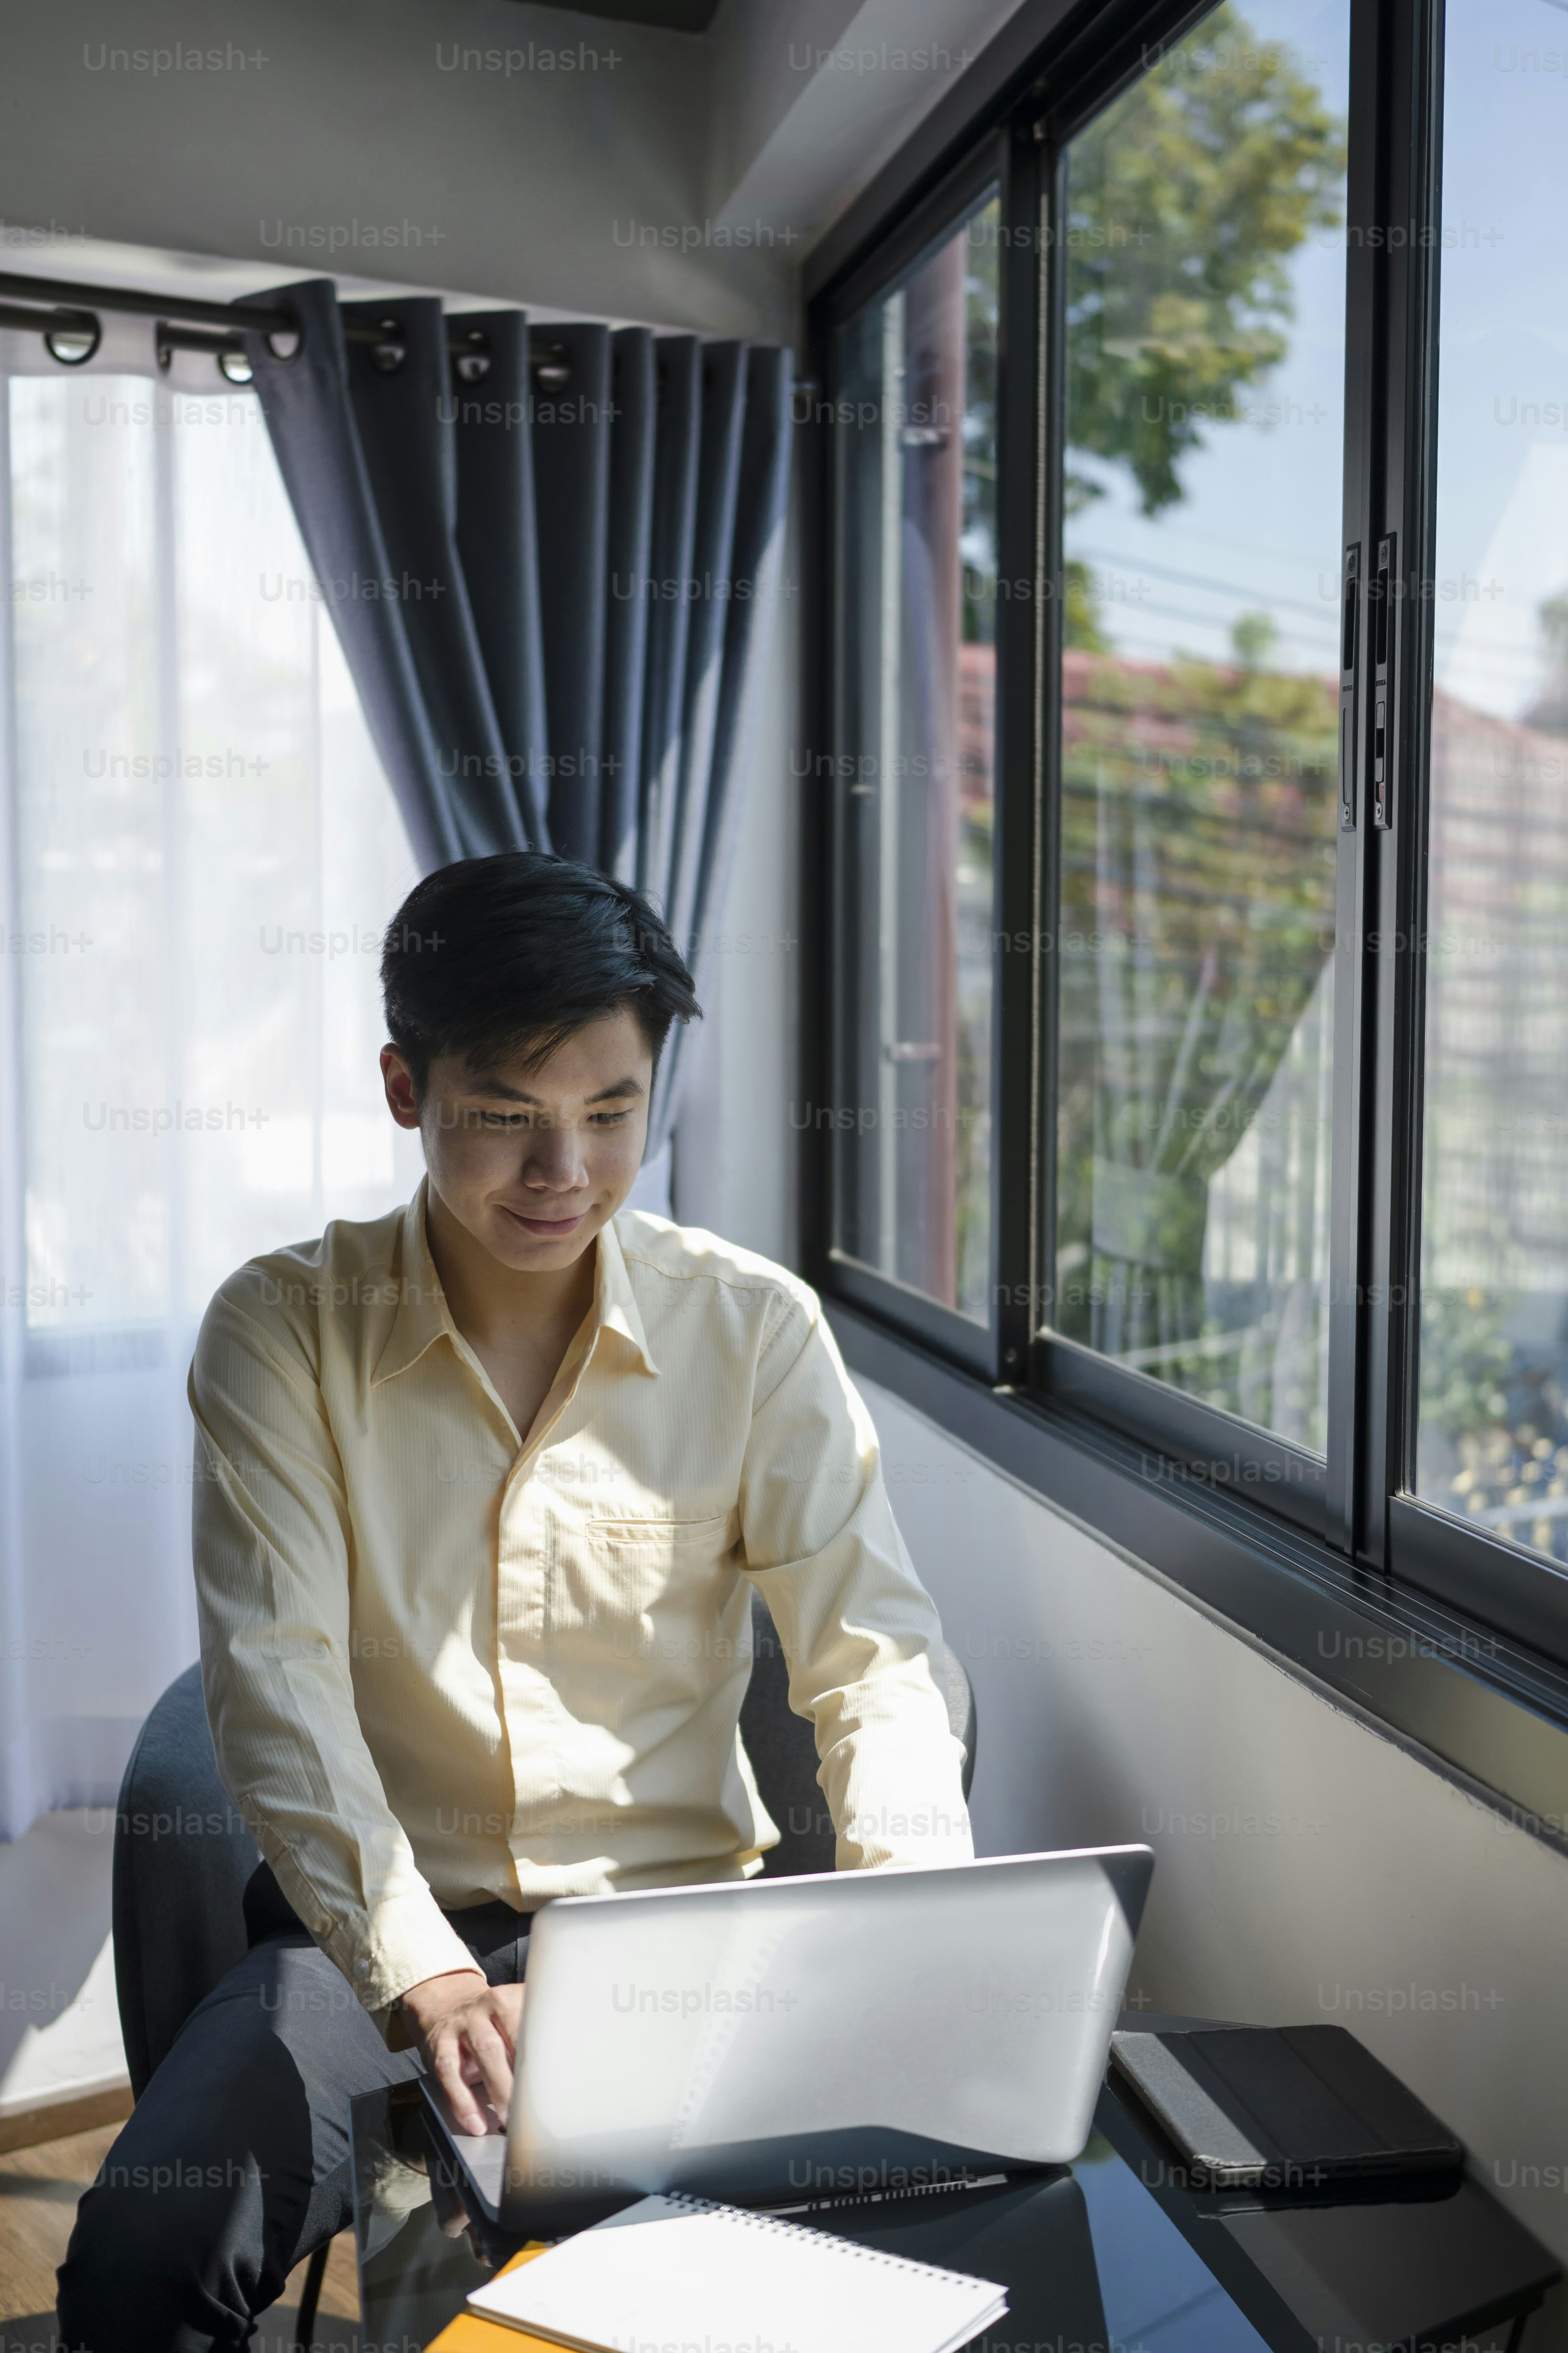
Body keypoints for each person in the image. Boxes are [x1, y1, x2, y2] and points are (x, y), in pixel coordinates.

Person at [59, 850, 972, 2351]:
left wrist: (911, 1911)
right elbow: (275, 1681)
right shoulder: (283, 1331)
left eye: (612, 1115)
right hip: (376, 1944)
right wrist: (426, 1977)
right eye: (506, 1118)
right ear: (406, 1088)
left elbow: (871, 1657)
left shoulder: (753, 1331)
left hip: (672, 1942)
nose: (565, 1174)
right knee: (149, 2254)